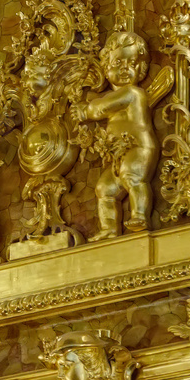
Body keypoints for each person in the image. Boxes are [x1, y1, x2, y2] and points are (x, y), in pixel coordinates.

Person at [74, 32, 157, 241]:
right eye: (118, 62)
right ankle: (109, 229)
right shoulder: (117, 94)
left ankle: (139, 215)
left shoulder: (133, 93)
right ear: (106, 67)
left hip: (139, 147)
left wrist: (87, 110)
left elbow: (103, 108)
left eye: (131, 63)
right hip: (117, 155)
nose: (124, 68)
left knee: (132, 177)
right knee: (105, 188)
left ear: (141, 69)